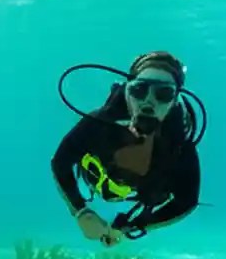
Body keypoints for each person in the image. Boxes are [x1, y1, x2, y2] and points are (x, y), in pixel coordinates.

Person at [51, 51, 201, 246]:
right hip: (99, 176)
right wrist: (81, 211)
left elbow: (186, 201)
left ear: (174, 102)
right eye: (139, 90)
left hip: (144, 188)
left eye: (163, 94)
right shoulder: (98, 124)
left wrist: (135, 225)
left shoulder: (179, 147)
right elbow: (61, 162)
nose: (149, 102)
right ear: (127, 92)